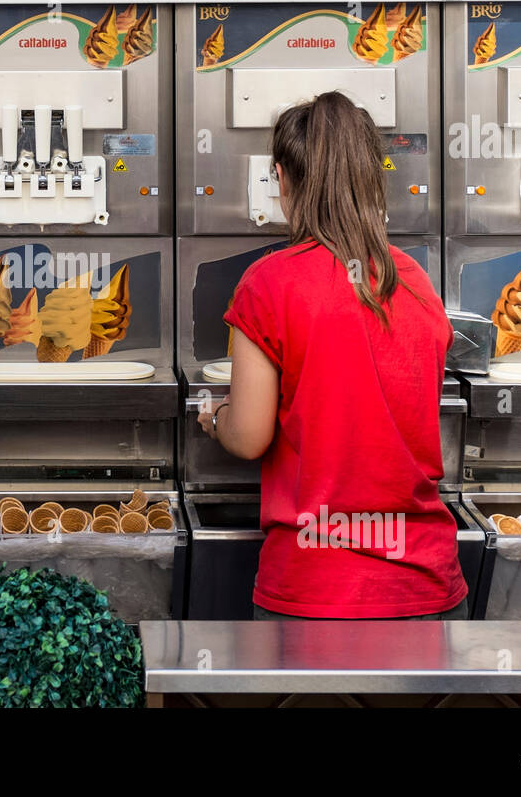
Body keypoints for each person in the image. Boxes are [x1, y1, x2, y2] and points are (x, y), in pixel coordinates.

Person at [200, 91, 467, 621]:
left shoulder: (269, 283)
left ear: (281, 178)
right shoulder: (414, 282)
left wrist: (216, 419)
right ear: (372, 178)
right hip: (423, 584)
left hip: (312, 587)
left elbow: (250, 436)